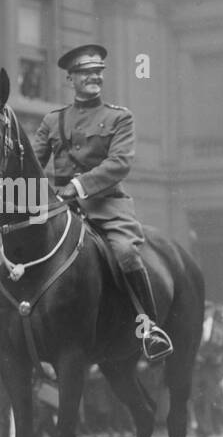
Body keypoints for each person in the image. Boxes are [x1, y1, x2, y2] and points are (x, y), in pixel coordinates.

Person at [30, 44, 172, 362]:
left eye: (98, 72)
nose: (94, 77)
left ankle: (149, 329)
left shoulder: (119, 117)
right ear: (71, 79)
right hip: (60, 209)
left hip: (107, 208)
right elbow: (33, 167)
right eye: (85, 72)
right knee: (26, 251)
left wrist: (77, 186)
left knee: (124, 253)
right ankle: (16, 338)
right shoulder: (53, 121)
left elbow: (119, 163)